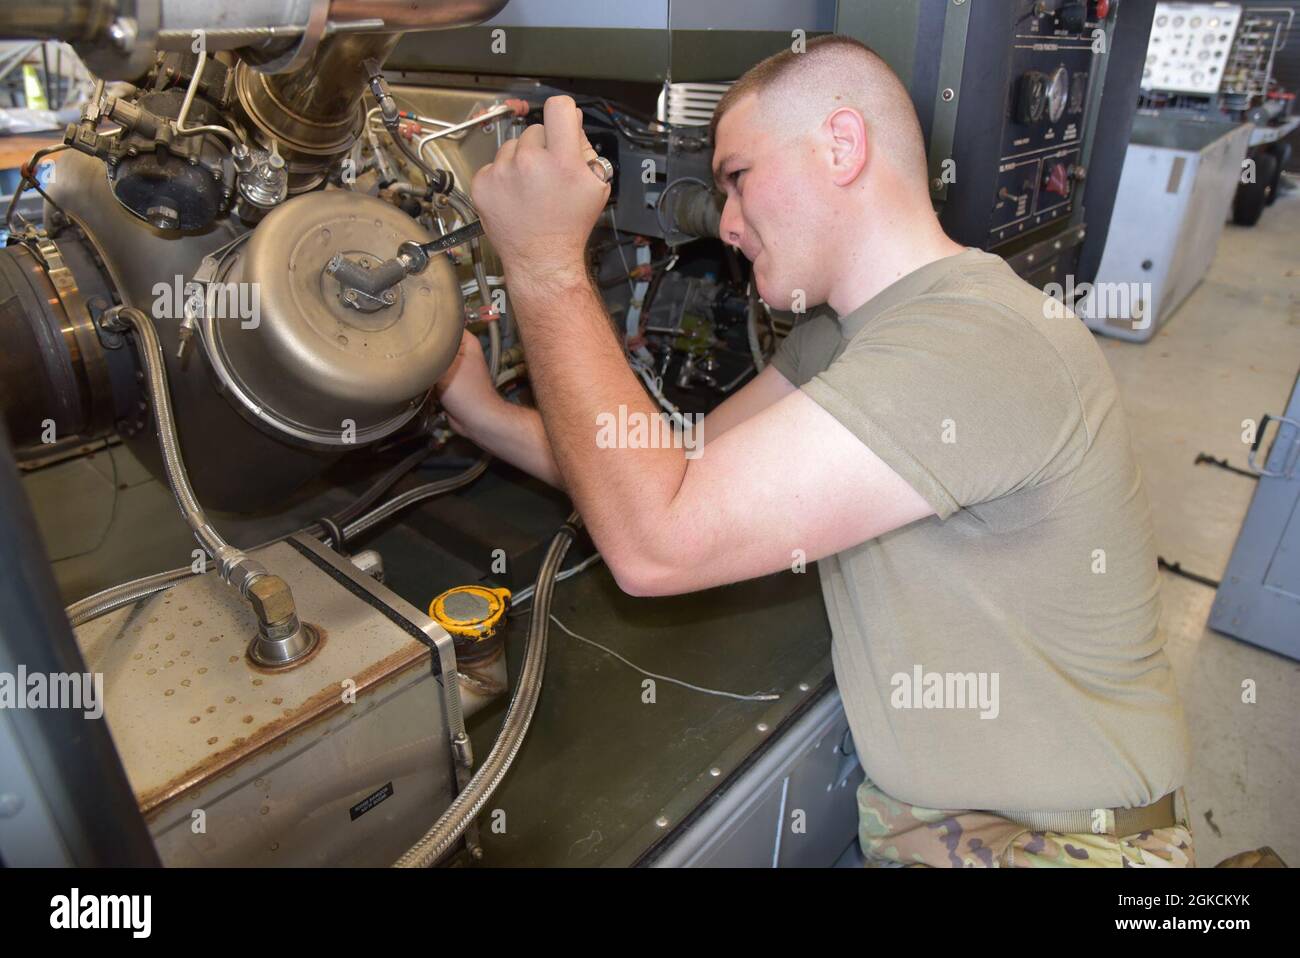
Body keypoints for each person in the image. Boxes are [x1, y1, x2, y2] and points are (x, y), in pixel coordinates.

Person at [436, 35, 1192, 867]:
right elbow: (664, 470)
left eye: (738, 178)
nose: (724, 222)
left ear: (841, 146)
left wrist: (543, 265)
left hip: (1061, 845)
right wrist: (483, 416)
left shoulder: (977, 342)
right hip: (944, 824)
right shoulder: (842, 335)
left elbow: (658, 541)